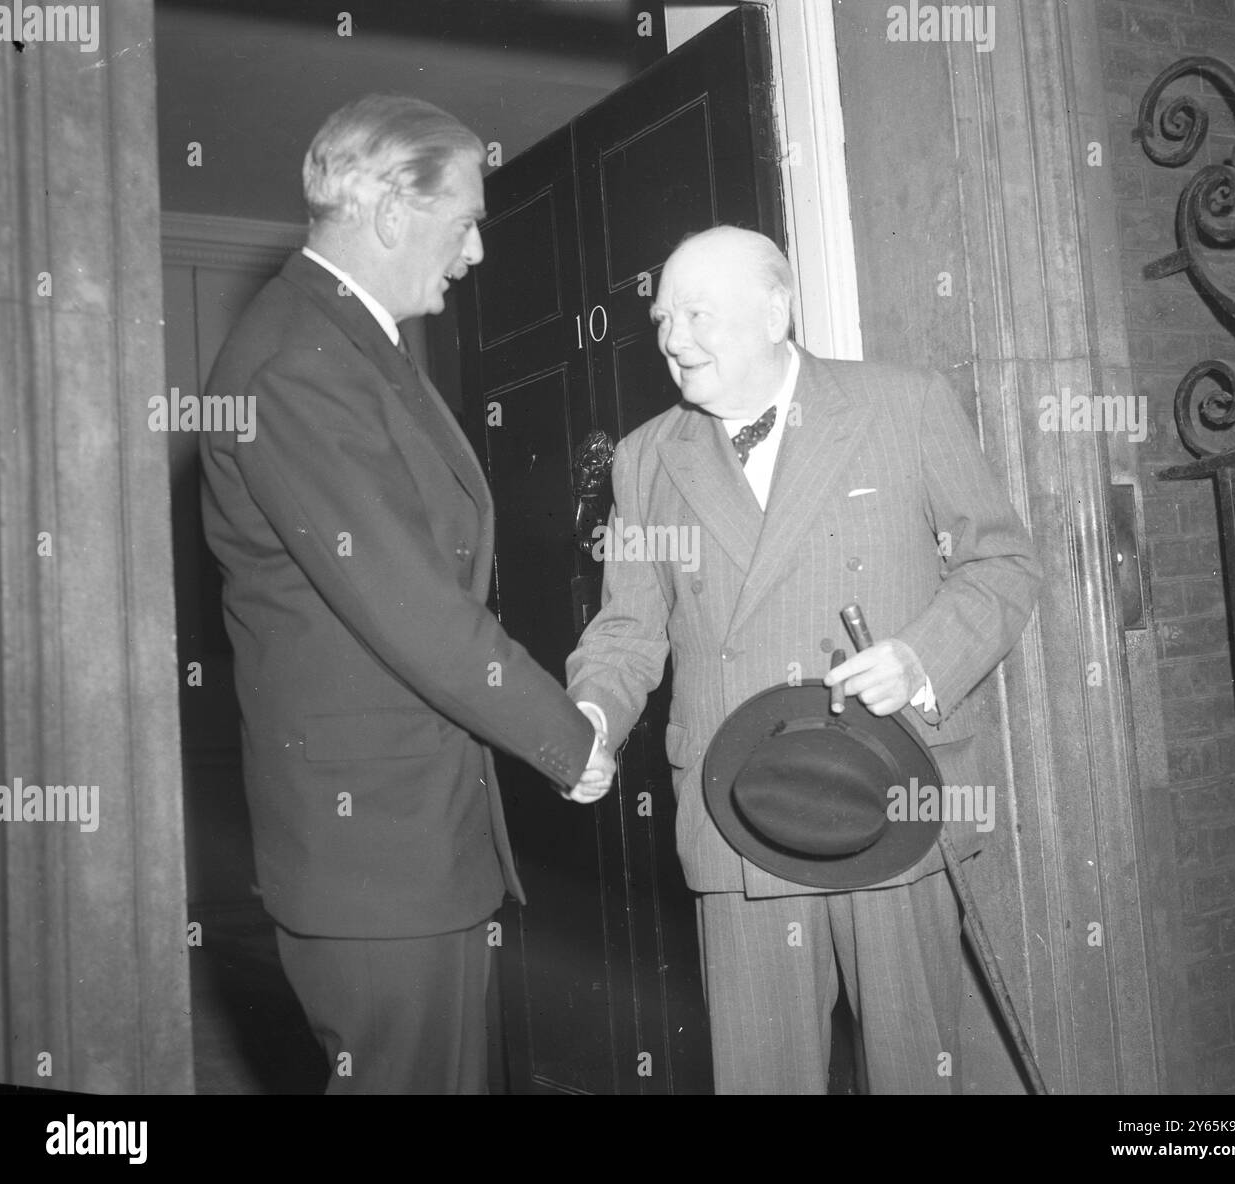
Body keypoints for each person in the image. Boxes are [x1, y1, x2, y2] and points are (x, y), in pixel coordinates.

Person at [199, 94, 614, 1095]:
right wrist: (566, 736)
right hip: (376, 857)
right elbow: (410, 604)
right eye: (465, 219)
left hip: (401, 844)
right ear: (392, 211)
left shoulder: (343, 340)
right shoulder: (299, 359)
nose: (473, 253)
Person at [567, 225, 1042, 1094]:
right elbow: (628, 630)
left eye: (698, 312)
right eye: (664, 318)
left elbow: (1003, 562)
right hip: (738, 806)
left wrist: (921, 657)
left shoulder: (902, 404)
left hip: (886, 789)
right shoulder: (645, 460)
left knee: (915, 1073)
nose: (673, 338)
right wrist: (591, 715)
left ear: (777, 308)